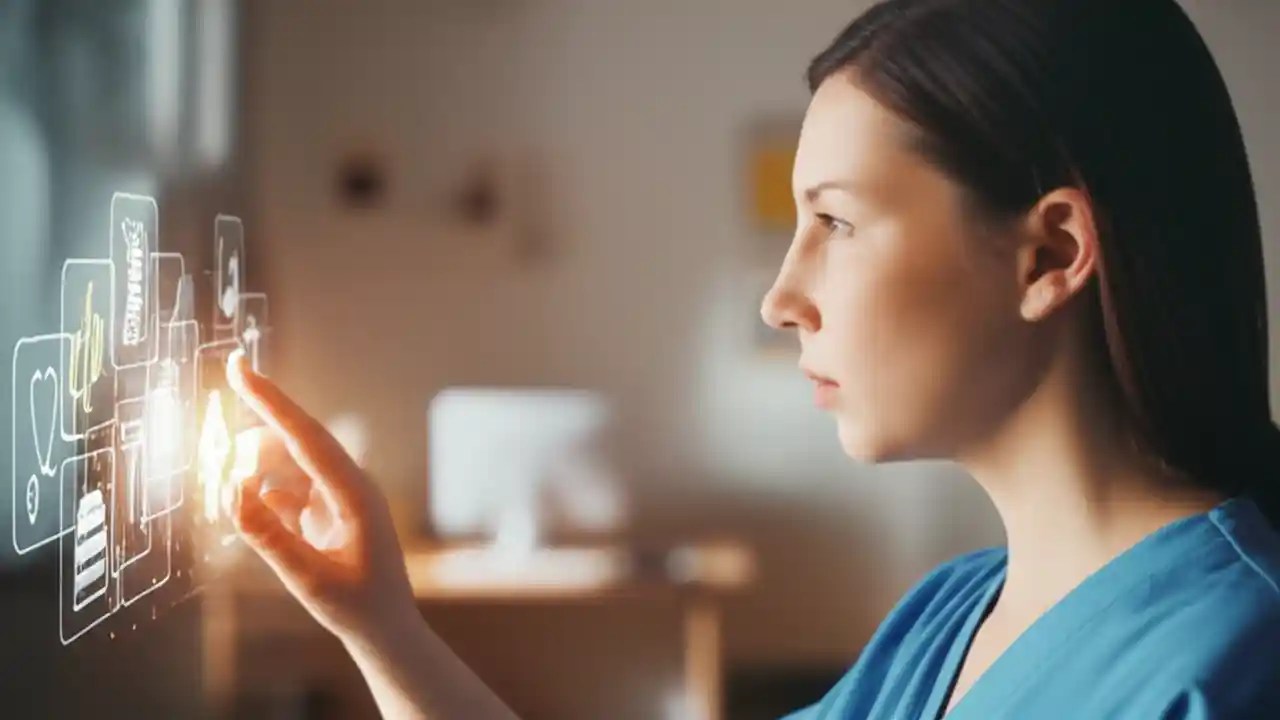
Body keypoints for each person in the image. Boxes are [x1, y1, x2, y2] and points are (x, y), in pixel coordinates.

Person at [223, 0, 1280, 717]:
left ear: (1048, 251)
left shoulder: (1227, 665)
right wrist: (377, 620)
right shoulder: (944, 622)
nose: (781, 299)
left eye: (837, 223)